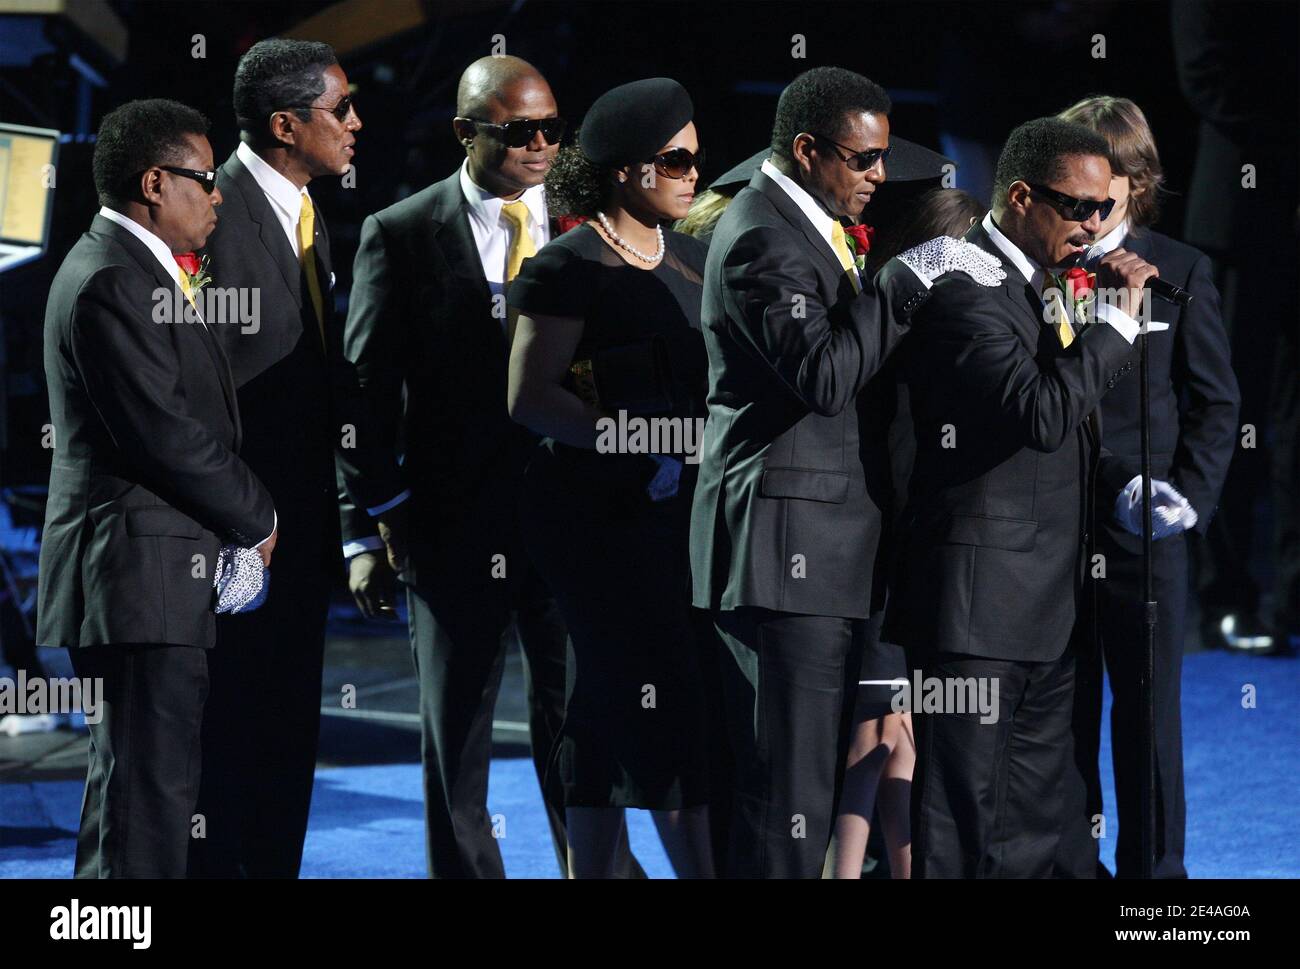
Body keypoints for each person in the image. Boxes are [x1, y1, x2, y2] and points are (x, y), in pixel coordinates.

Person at [689, 66, 1000, 879]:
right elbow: (823, 377)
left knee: (806, 782)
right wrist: (905, 278)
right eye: (863, 160)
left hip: (820, 551)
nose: (876, 178)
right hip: (784, 550)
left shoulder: (804, 224)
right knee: (785, 787)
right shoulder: (761, 235)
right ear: (805, 149)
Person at [885, 117, 1160, 878]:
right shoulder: (963, 281)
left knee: (1041, 819)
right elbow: (1039, 413)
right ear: (1019, 197)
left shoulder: (1045, 284)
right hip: (972, 608)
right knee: (960, 813)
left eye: (1104, 208)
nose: (1094, 226)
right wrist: (1114, 326)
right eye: (1077, 207)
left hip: (1050, 604)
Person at [338, 55, 581, 878]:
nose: (543, 146)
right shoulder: (400, 232)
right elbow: (365, 393)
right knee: (457, 745)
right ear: (464, 132)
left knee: (581, 725)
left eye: (552, 128)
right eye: (520, 133)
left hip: (570, 521)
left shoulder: (586, 219)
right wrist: (366, 522)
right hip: (449, 526)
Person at [37, 99, 277, 878]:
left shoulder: (131, 267)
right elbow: (165, 434)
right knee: (146, 806)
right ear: (153, 182)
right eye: (203, 180)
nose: (216, 196)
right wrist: (259, 514)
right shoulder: (112, 278)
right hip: (137, 580)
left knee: (133, 798)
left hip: (152, 577)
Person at [187, 38, 392, 879]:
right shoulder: (213, 215)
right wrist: (244, 524)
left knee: (283, 749)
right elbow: (191, 396)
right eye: (339, 108)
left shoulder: (307, 218)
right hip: (235, 544)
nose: (356, 122)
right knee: (228, 758)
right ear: (285, 124)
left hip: (295, 541)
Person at [508, 77, 715, 879]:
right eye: (675, 160)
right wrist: (645, 445)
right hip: (591, 518)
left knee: (602, 704)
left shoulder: (695, 258)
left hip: (675, 516)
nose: (694, 173)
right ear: (627, 170)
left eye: (696, 158)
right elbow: (530, 398)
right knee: (653, 692)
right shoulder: (569, 264)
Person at [1053, 95, 1239, 879]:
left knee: (1148, 719)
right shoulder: (1037, 266)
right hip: (1051, 532)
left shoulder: (1182, 268)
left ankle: (1155, 882)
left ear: (1135, 181)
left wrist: (1186, 498)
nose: (1085, 203)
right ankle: (1069, 865)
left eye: (1102, 181)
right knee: (1060, 716)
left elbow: (1217, 400)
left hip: (1146, 538)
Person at [830, 187, 988, 880]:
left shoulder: (904, 333)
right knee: (877, 724)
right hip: (881, 556)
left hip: (902, 559)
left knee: (897, 729)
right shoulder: (898, 343)